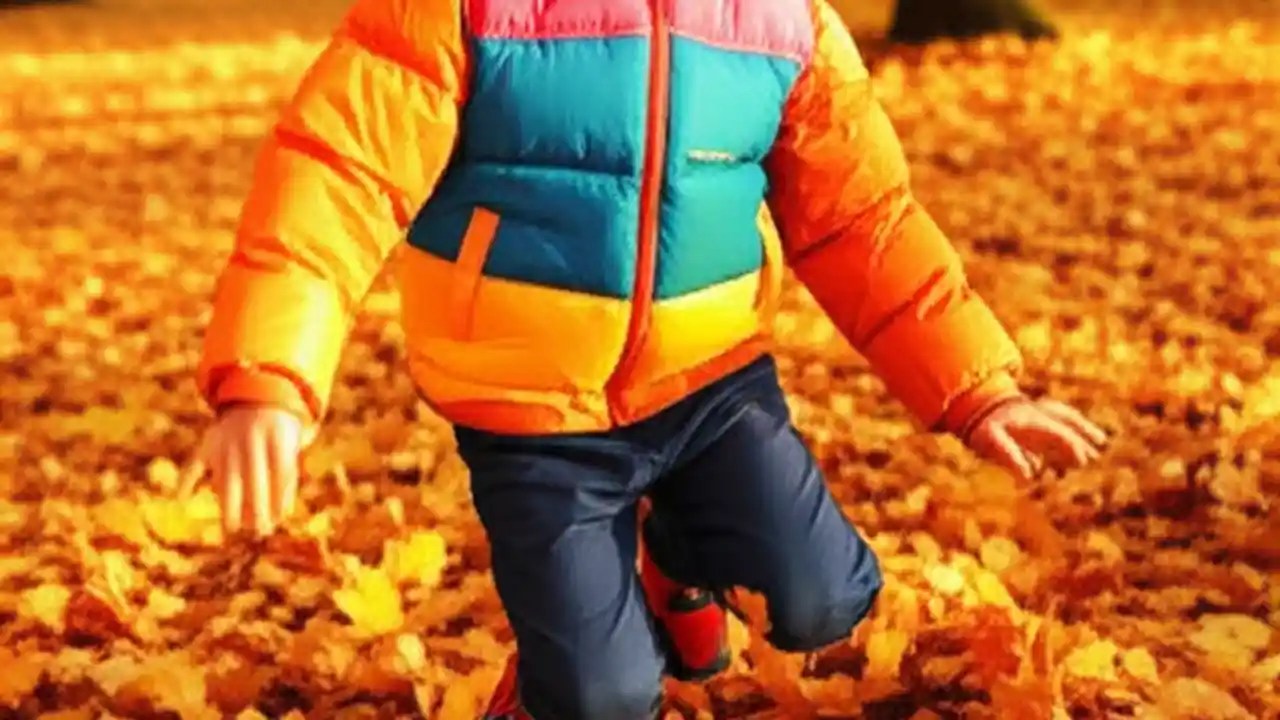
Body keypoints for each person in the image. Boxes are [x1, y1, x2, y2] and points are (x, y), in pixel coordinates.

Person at [194, 0, 1108, 718]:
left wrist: (979, 388)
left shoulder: (783, 22)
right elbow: (337, 174)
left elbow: (864, 220)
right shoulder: (463, 9)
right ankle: (546, 689)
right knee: (602, 699)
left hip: (712, 385)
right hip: (532, 410)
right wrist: (271, 375)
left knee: (827, 602)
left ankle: (676, 555)